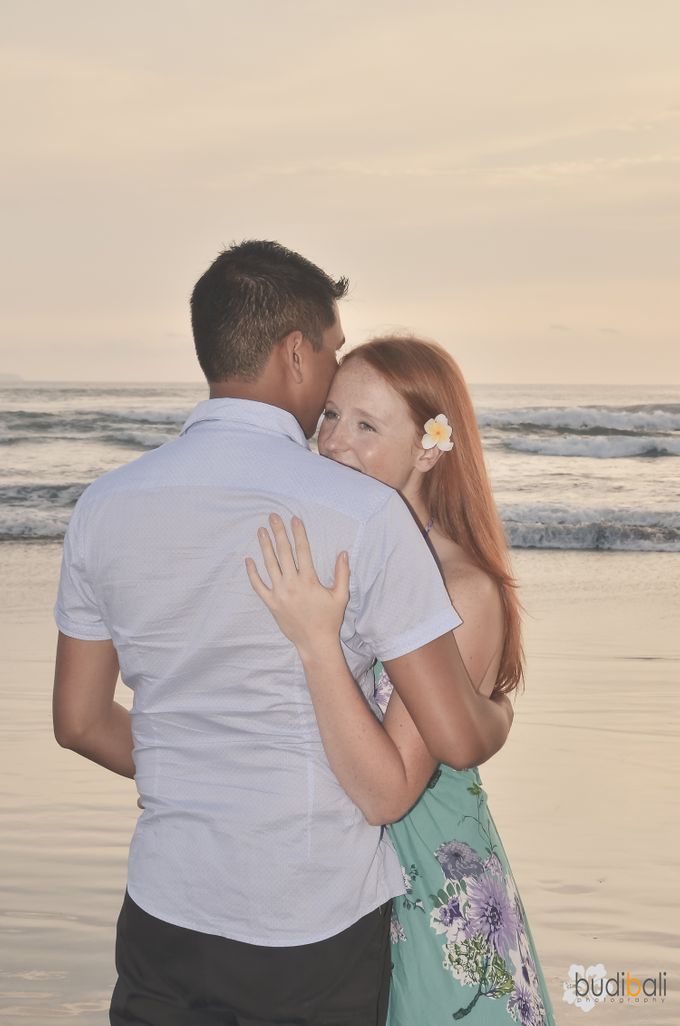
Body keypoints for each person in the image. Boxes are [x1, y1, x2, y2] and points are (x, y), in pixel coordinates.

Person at [52, 241, 513, 1026]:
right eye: (332, 356)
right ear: (296, 352)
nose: (332, 393)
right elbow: (422, 765)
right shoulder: (363, 515)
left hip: (164, 909)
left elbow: (81, 721)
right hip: (307, 921)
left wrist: (197, 762)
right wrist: (496, 713)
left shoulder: (103, 505)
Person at [247, 336, 555, 1025]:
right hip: (332, 876)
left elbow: (392, 788)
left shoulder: (459, 588)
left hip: (430, 882)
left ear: (428, 448)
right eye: (329, 416)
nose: (333, 442)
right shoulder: (331, 558)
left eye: (366, 426)